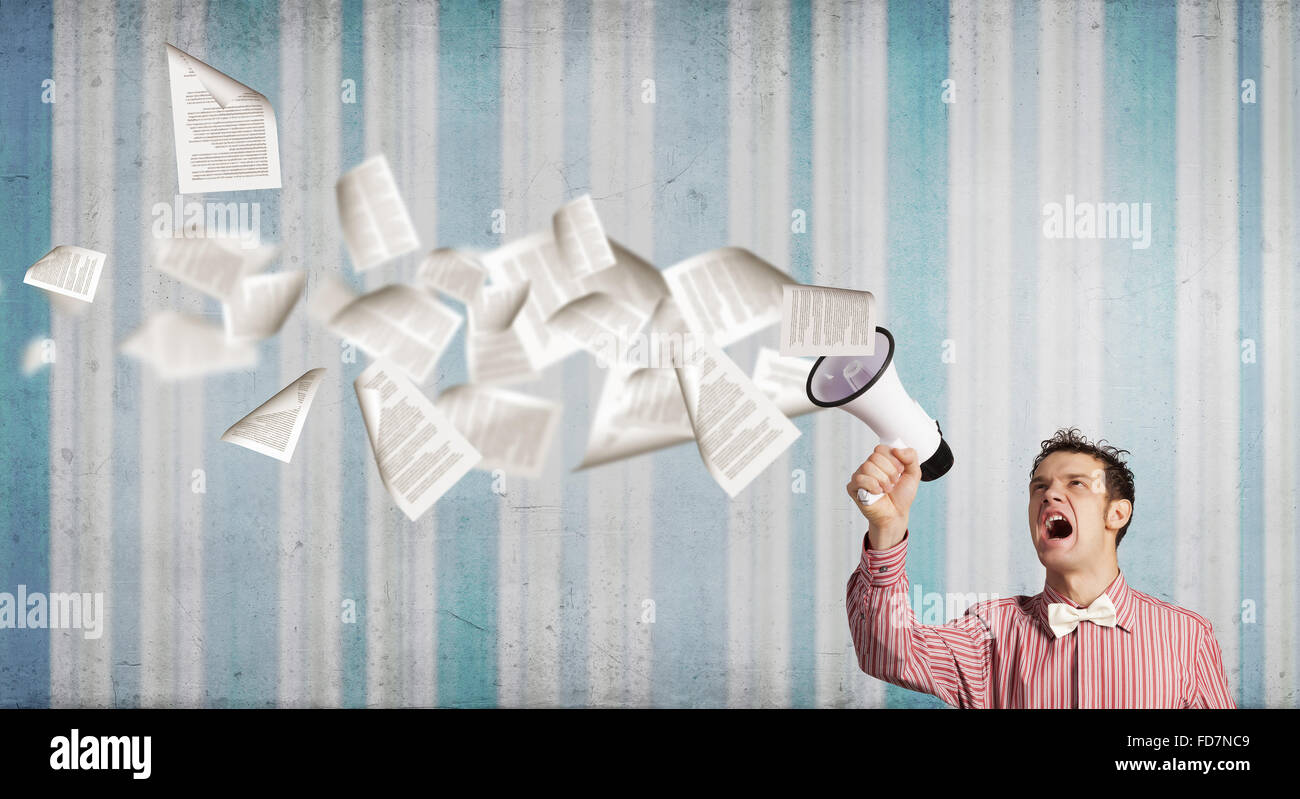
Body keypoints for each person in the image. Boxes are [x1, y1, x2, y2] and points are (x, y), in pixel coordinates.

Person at [845, 427, 1235, 708]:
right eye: (1039, 487)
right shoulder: (990, 631)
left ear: (1116, 514)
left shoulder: (1188, 636)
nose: (1049, 495)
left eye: (1076, 484)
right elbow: (886, 653)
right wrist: (887, 529)